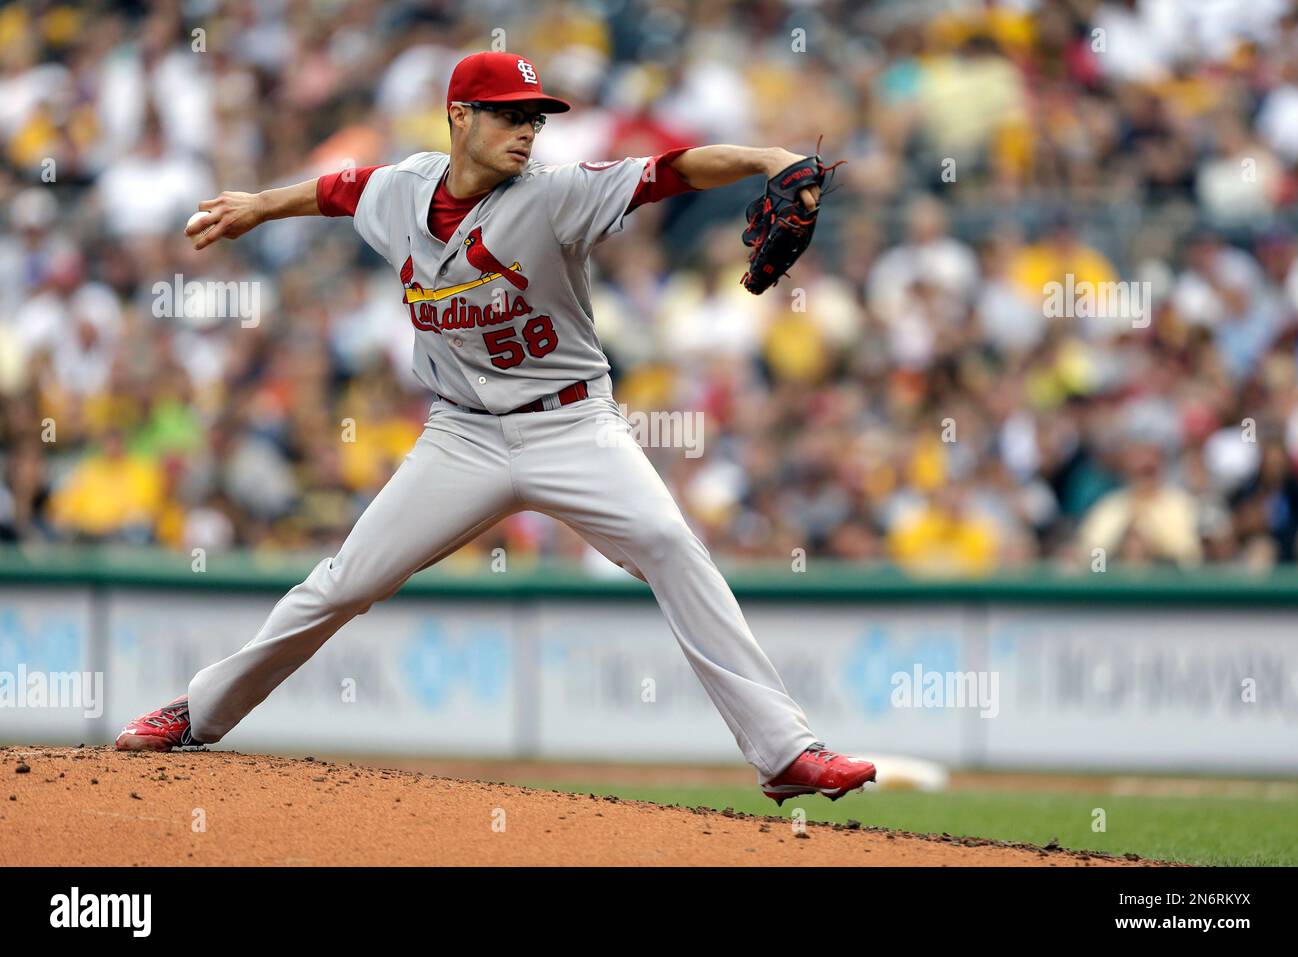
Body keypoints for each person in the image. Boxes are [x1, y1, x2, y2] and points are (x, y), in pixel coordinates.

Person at [115, 51, 877, 806]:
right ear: (460, 116)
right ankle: (200, 710)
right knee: (348, 580)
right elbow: (338, 190)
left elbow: (669, 170)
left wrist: (769, 157)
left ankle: (785, 751)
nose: (527, 130)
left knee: (672, 546)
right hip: (462, 435)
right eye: (510, 114)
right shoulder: (401, 189)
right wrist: (258, 204)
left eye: (535, 117)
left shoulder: (555, 196)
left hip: (572, 423)